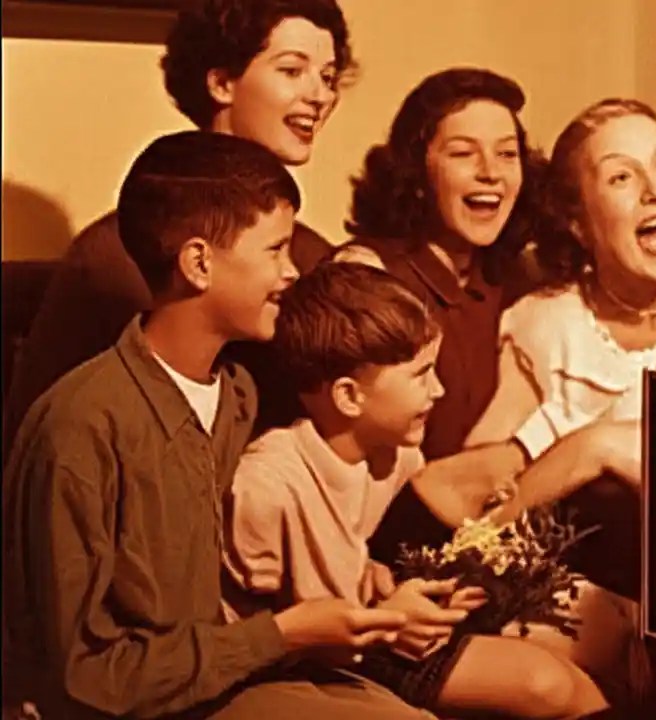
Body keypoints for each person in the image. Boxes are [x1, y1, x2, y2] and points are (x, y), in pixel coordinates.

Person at [1, 132, 427, 719]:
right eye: (275, 250)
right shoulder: (82, 428)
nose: (292, 273)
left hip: (224, 682)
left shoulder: (238, 396)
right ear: (199, 262)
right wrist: (283, 636)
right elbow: (83, 677)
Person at [223, 261, 609, 718]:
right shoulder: (266, 486)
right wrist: (385, 622)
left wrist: (430, 596)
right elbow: (248, 641)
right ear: (349, 396)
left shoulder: (397, 455)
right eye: (420, 374)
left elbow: (367, 566)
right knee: (546, 685)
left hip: (380, 640)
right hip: (319, 668)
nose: (439, 389)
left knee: (578, 664)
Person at [2, 0, 354, 453]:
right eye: (292, 71)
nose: (320, 95)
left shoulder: (310, 254)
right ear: (222, 82)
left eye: (327, 77)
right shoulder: (117, 258)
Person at [464, 98, 656, 600]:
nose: (655, 190)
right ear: (578, 222)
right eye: (622, 178)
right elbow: (484, 472)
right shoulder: (544, 319)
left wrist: (595, 446)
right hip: (579, 581)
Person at [335, 68, 546, 567]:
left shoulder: (522, 284)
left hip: (490, 537)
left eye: (507, 153)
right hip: (387, 553)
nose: (491, 172)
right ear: (417, 172)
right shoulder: (366, 276)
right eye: (463, 153)